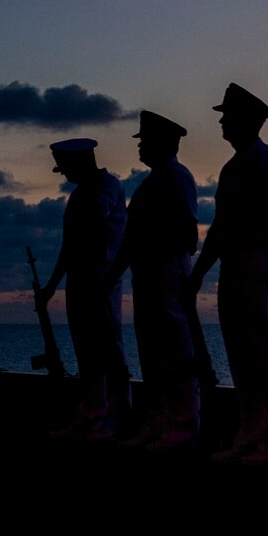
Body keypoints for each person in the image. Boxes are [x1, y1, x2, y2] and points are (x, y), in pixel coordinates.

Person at [184, 83, 268, 465]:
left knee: (264, 351)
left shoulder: (266, 158)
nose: (222, 122)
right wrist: (199, 273)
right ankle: (251, 433)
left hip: (256, 261)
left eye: (228, 116)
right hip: (234, 265)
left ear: (246, 120)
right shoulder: (232, 167)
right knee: (241, 353)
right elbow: (220, 228)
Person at [103, 111, 203, 452]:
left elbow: (188, 233)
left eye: (145, 141)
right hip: (147, 275)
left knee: (175, 350)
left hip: (167, 272)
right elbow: (131, 239)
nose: (140, 147)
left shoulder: (177, 177)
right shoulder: (151, 183)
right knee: (152, 351)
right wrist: (115, 273)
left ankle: (182, 422)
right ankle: (158, 419)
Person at [34, 138, 130, 441]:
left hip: (101, 278)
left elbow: (93, 228)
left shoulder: (107, 188)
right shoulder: (79, 196)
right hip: (80, 280)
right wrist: (52, 286)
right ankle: (94, 413)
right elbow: (70, 246)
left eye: (65, 167)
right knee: (87, 351)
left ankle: (116, 417)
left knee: (109, 350)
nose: (63, 173)